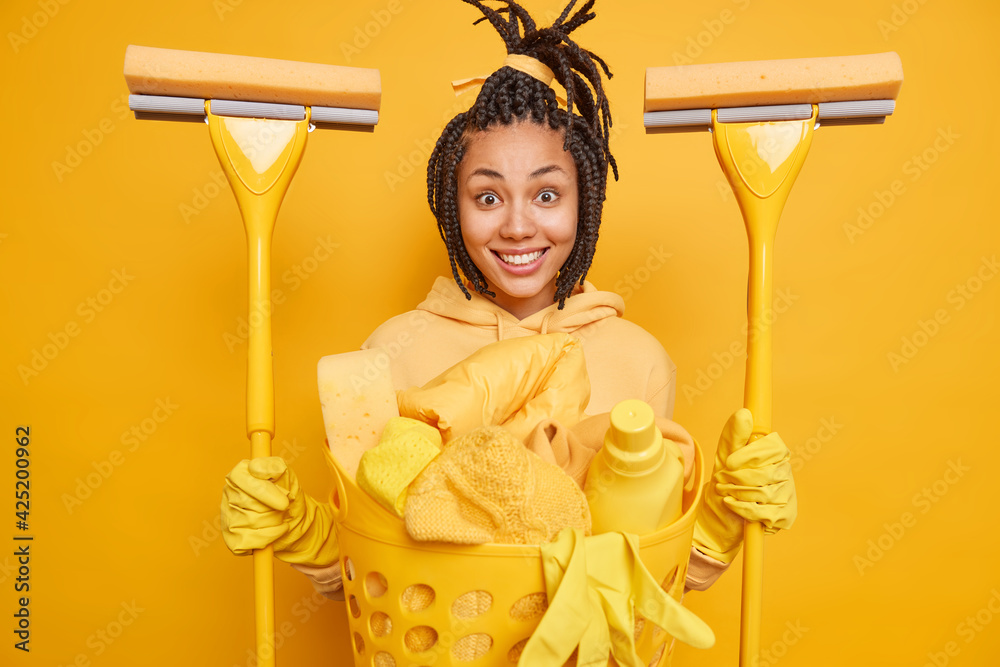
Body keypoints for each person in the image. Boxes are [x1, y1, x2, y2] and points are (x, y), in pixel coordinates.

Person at [221, 0, 795, 607]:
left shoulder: (638, 359)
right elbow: (369, 567)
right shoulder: (391, 351)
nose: (519, 226)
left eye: (547, 194)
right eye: (488, 198)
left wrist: (718, 523)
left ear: (585, 204)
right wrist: (303, 533)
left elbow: (648, 579)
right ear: (452, 206)